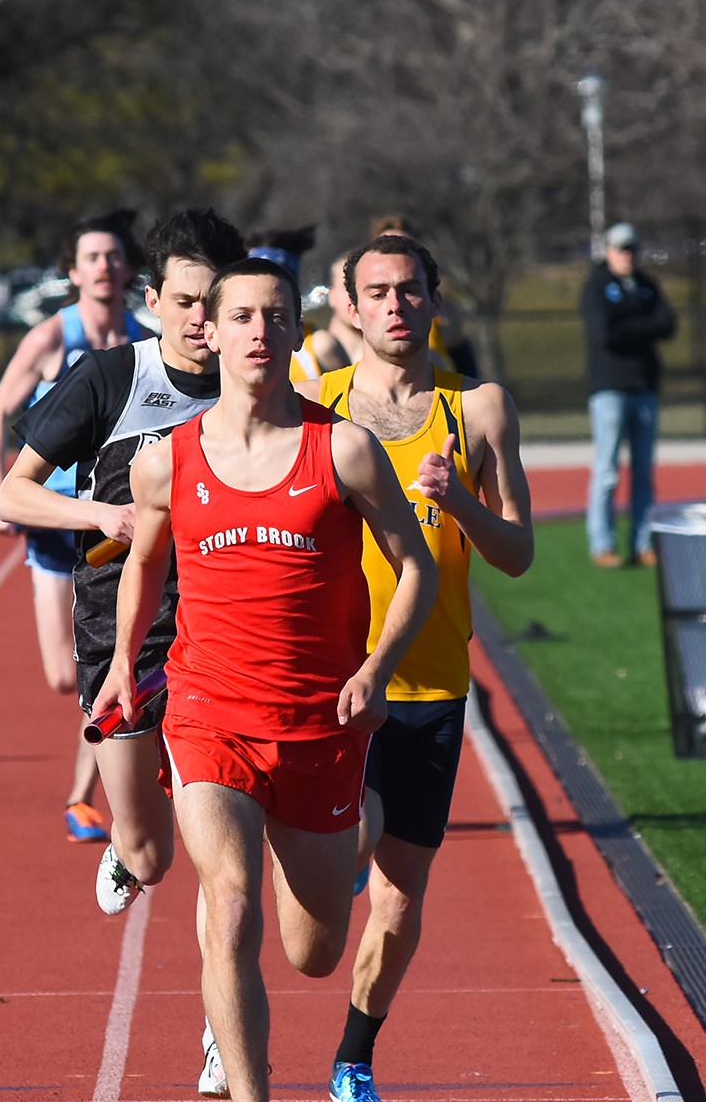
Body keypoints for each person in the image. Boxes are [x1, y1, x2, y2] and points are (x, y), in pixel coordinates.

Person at [93, 257, 437, 1102]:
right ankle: (251, 1091)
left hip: (320, 726)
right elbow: (141, 565)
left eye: (275, 316)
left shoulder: (344, 449)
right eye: (241, 316)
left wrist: (376, 669)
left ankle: (337, 842)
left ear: (295, 329)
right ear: (210, 331)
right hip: (209, 713)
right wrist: (118, 666)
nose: (259, 331)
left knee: (313, 953)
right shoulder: (166, 460)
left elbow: (416, 567)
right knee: (230, 902)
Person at [306, 234, 534, 1102]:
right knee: (329, 879)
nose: (395, 305)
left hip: (431, 689)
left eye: (410, 290)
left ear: (435, 299)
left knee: (399, 900)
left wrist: (459, 499)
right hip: (333, 685)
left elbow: (516, 554)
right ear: (351, 307)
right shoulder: (311, 405)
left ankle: (353, 1058)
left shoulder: (477, 410)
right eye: (378, 292)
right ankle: (230, 1009)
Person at [0, 205, 246, 902]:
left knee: (230, 853)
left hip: (229, 637)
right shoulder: (110, 378)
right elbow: (14, 494)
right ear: (153, 300)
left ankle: (224, 1011)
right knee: (153, 852)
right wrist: (107, 513)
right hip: (123, 636)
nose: (201, 319)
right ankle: (127, 847)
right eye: (186, 301)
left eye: (215, 302)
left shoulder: (256, 387)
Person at [0, 209, 150, 842]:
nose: (105, 267)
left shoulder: (144, 340)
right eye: (92, 258)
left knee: (107, 658)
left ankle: (85, 795)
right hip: (56, 519)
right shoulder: (54, 336)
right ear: (72, 271)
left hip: (118, 525)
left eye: (114, 256)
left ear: (130, 268)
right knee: (62, 673)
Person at [580, 221, 675, 569]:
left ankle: (643, 542)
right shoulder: (596, 286)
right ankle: (603, 543)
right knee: (607, 471)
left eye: (632, 249)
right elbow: (605, 333)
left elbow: (668, 323)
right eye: (621, 249)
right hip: (609, 389)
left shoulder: (647, 284)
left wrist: (631, 326)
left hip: (645, 387)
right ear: (608, 252)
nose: (628, 255)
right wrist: (643, 327)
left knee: (643, 472)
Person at [369, 214, 478, 376]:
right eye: (386, 247)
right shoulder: (363, 314)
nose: (395, 256)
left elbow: (466, 367)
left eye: (403, 248)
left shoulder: (446, 314)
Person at [298, 250, 365, 381]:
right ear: (331, 295)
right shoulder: (309, 347)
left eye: (364, 287)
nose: (355, 295)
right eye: (347, 287)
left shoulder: (385, 357)